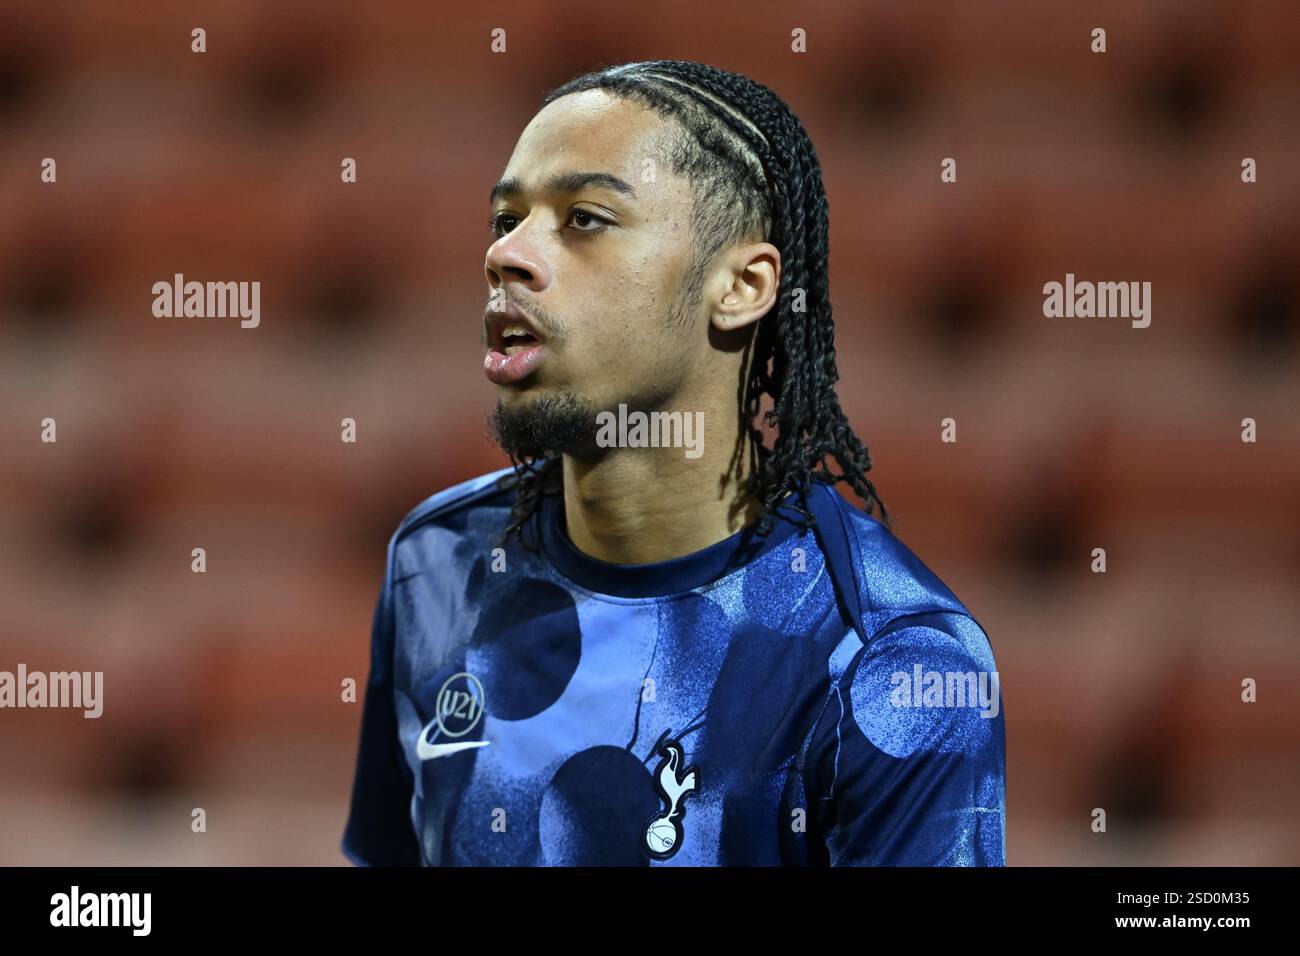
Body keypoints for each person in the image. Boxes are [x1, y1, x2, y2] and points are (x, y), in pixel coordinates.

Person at [342, 59, 1006, 866]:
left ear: (741, 287)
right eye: (505, 219)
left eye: (584, 218)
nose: (507, 256)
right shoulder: (438, 563)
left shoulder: (896, 666)